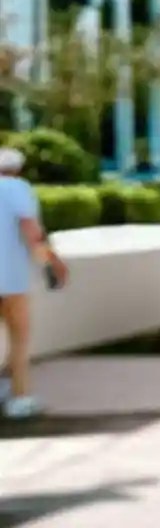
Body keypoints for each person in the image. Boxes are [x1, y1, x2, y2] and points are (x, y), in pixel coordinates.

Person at [0, 147, 68, 419]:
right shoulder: (17, 188)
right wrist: (52, 263)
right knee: (19, 337)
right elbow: (32, 233)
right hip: (10, 277)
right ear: (17, 170)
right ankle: (20, 398)